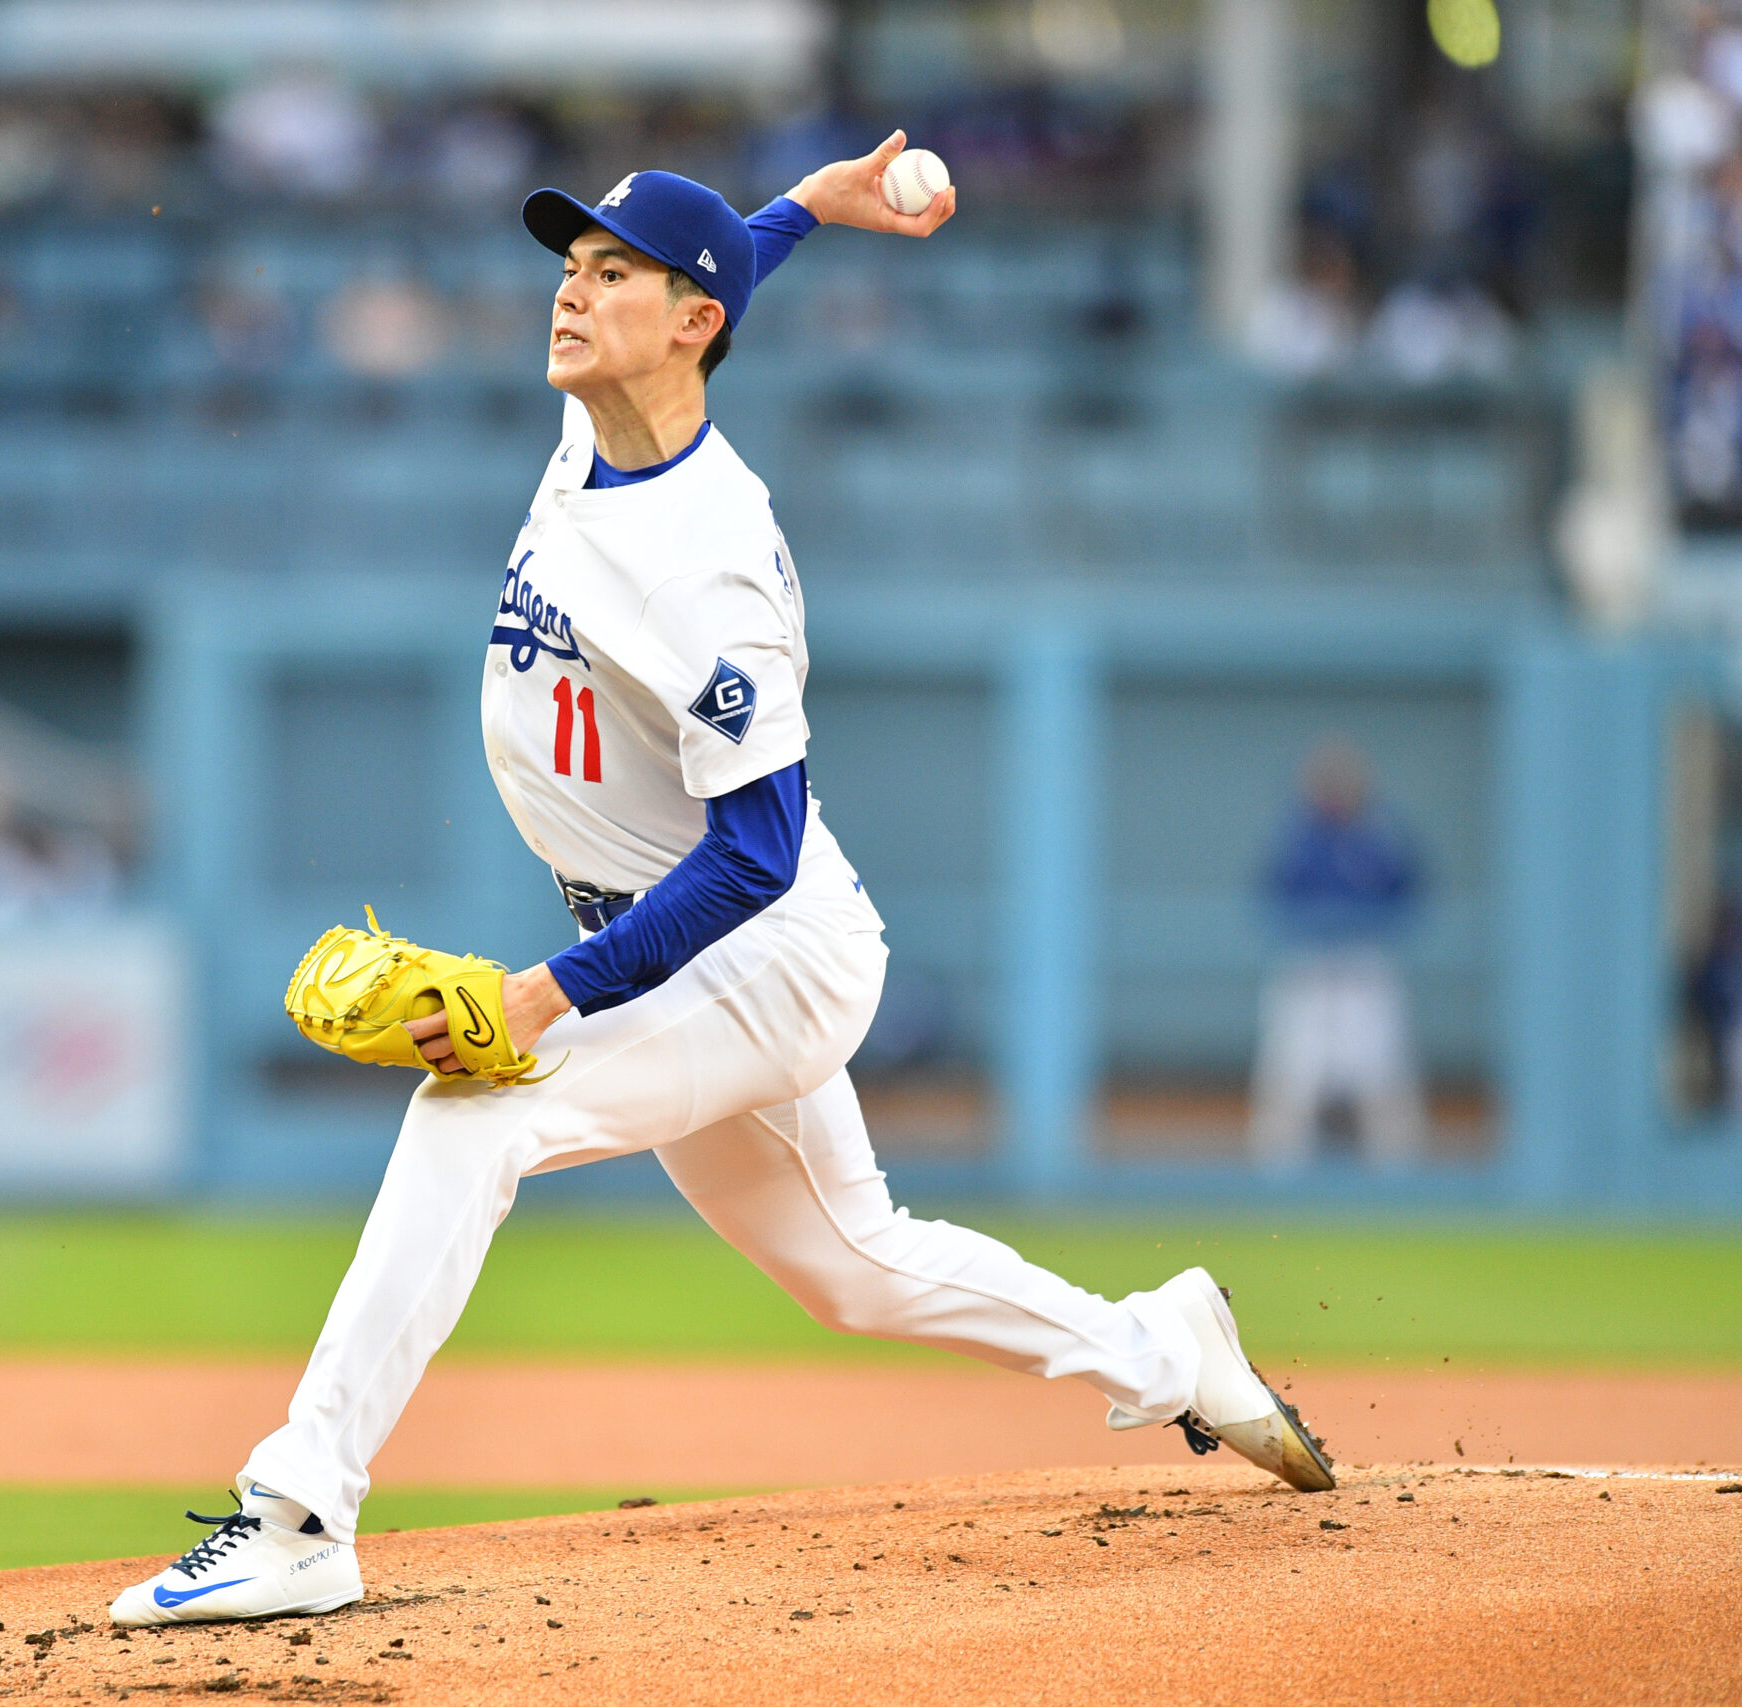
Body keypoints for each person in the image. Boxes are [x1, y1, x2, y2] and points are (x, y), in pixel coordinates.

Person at [110, 137, 1334, 1629]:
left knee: (473, 1117)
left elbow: (753, 850)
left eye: (610, 274)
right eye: (569, 266)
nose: (570, 296)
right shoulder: (599, 431)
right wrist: (806, 209)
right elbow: (729, 265)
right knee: (857, 1268)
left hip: (760, 946)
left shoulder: (708, 566)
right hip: (685, 944)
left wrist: (541, 992)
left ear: (687, 323)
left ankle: (300, 1510)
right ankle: (1167, 1346)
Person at [1248, 740, 1429, 1170]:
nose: (1334, 790)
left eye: (1343, 780)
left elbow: (1409, 894)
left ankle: (1401, 1186)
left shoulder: (1380, 837)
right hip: (1310, 967)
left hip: (1365, 966)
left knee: (1384, 1084)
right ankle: (1274, 1184)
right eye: (1325, 781)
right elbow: (1272, 898)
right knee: (1290, 1081)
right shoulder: (1298, 839)